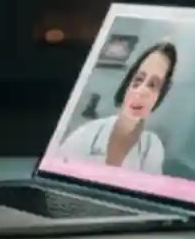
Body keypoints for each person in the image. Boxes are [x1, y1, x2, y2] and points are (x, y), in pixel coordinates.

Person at [54, 42, 178, 174]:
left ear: (160, 95)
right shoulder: (84, 136)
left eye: (153, 85)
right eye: (138, 79)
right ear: (127, 84)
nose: (141, 91)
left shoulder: (152, 147)